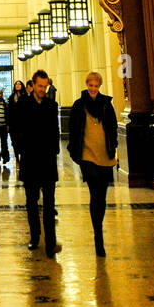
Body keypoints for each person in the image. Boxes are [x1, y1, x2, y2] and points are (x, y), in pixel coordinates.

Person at [67, 72, 118, 257]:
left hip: (105, 154)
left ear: (100, 86)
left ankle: (99, 227)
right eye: (91, 86)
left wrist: (114, 146)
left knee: (101, 196)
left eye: (96, 86)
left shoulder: (106, 104)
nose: (93, 89)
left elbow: (112, 127)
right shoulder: (79, 105)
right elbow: (72, 128)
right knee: (94, 189)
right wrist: (74, 151)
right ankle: (97, 234)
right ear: (87, 85)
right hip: (87, 154)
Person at [18, 68, 61, 257]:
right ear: (33, 85)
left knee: (50, 203)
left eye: (45, 86)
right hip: (30, 159)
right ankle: (35, 237)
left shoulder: (52, 105)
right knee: (31, 202)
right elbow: (18, 130)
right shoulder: (23, 104)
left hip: (48, 160)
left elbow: (55, 130)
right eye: (40, 86)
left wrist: (54, 151)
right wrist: (21, 151)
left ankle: (50, 242)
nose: (43, 89)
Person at [7, 79, 28, 169]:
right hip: (13, 124)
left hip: (22, 124)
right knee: (14, 142)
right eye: (16, 84)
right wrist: (8, 124)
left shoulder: (25, 97)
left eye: (19, 84)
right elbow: (8, 111)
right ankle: (17, 159)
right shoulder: (12, 97)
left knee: (23, 142)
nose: (18, 85)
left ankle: (23, 159)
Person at [0, 87, 10, 164]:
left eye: (0, 93)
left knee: (4, 143)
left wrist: (8, 125)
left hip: (3, 126)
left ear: (2, 95)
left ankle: (5, 158)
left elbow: (8, 115)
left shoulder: (6, 104)